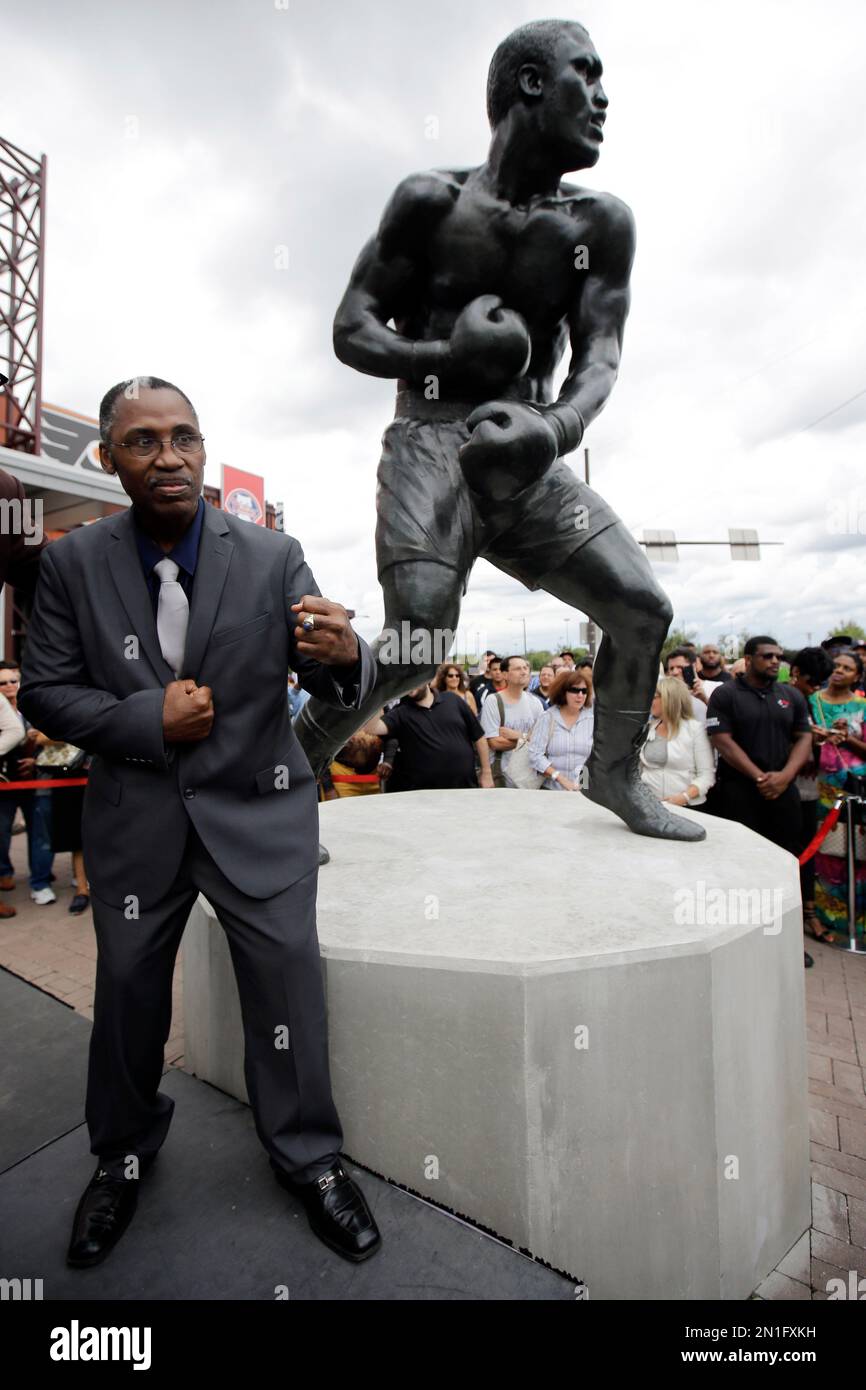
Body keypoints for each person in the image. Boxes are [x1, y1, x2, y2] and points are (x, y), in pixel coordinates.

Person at [292, 18, 705, 845]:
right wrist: (448, 350)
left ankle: (615, 775)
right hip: (429, 440)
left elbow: (601, 356)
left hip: (527, 448)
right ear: (527, 84)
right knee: (415, 641)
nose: (603, 97)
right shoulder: (430, 201)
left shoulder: (600, 225)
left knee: (640, 607)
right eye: (584, 76)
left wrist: (552, 427)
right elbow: (350, 327)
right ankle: (293, 771)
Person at [19, 377, 380, 1269]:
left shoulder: (272, 553)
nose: (169, 456)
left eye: (184, 437)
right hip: (136, 827)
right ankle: (124, 1157)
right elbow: (46, 693)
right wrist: (150, 720)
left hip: (260, 816)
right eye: (142, 442)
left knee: (287, 993)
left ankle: (310, 1159)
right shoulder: (69, 563)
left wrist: (347, 657)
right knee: (129, 1003)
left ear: (203, 450)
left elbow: (337, 666)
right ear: (109, 460)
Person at [705, 635, 812, 858]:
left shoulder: (792, 696)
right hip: (739, 791)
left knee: (785, 855)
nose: (775, 661)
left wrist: (785, 776)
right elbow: (721, 739)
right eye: (767, 656)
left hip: (783, 790)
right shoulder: (726, 694)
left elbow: (804, 737)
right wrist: (760, 778)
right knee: (740, 857)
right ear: (748, 659)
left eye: (779, 657)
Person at [808, 649, 866, 943]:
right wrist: (816, 740)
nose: (839, 670)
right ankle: (831, 918)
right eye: (837, 666)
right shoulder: (812, 701)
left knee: (861, 856)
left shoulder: (863, 706)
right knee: (829, 856)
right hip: (825, 792)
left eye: (847, 667)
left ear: (857, 676)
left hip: (858, 791)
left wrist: (849, 739)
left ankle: (860, 924)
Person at [788, 646, 834, 947]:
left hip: (812, 792)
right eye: (811, 681)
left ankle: (809, 914)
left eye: (821, 683)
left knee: (808, 854)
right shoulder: (784, 700)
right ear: (795, 675)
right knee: (790, 855)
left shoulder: (818, 703)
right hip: (786, 791)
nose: (816, 688)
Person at [365, 683, 493, 790]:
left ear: (426, 679)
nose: (408, 685)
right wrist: (379, 694)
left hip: (465, 787)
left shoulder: (452, 700)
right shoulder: (401, 712)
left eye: (412, 680)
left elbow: (479, 737)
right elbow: (372, 728)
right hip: (425, 795)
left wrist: (486, 773)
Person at [0, 659, 55, 906]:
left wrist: (36, 755)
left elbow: (56, 733)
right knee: (2, 832)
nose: (10, 686)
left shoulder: (34, 706)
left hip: (37, 779)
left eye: (13, 680)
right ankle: (4, 872)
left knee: (41, 833)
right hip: (5, 782)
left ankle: (40, 880)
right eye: (3, 682)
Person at [639, 676, 715, 808]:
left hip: (687, 807)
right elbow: (640, 770)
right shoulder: (648, 728)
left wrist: (683, 797)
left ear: (668, 699)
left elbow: (706, 775)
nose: (649, 701)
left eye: (654, 697)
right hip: (650, 807)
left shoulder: (695, 729)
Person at [480, 655, 542, 787]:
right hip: (502, 776)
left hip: (529, 777)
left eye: (525, 668)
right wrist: (528, 738)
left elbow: (542, 741)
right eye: (518, 668)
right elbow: (494, 743)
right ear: (505, 675)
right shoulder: (493, 701)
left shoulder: (535, 703)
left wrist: (518, 736)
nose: (524, 671)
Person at [529, 668, 594, 790]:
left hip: (582, 790)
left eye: (584, 691)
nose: (580, 695)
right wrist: (560, 778)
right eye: (574, 690)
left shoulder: (592, 719)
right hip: (551, 789)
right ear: (563, 691)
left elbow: (593, 757)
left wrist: (581, 784)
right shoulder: (547, 717)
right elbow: (535, 755)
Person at [665, 647, 720, 724]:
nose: (675, 672)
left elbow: (727, 716)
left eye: (680, 667)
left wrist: (705, 699)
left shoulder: (716, 687)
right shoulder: (665, 694)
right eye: (671, 668)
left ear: (693, 666)